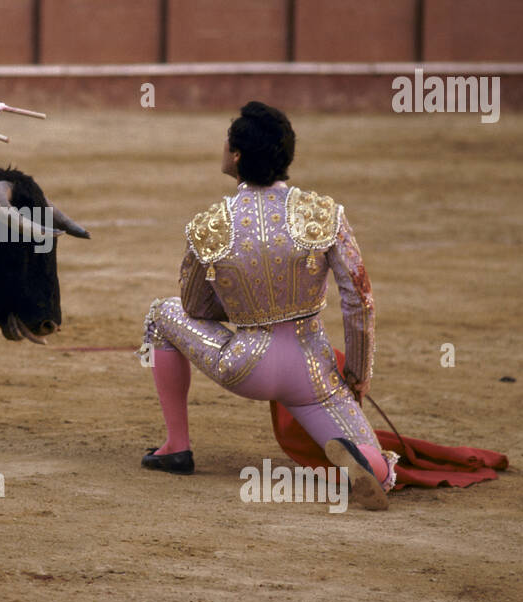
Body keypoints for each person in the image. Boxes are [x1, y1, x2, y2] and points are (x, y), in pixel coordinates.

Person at [139, 102, 397, 510]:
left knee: (161, 315)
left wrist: (243, 303)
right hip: (312, 370)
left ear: (236, 156)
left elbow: (194, 306)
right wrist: (357, 373)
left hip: (245, 365)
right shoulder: (322, 214)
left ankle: (176, 446)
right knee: (378, 465)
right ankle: (373, 466)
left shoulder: (210, 225)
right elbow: (359, 299)